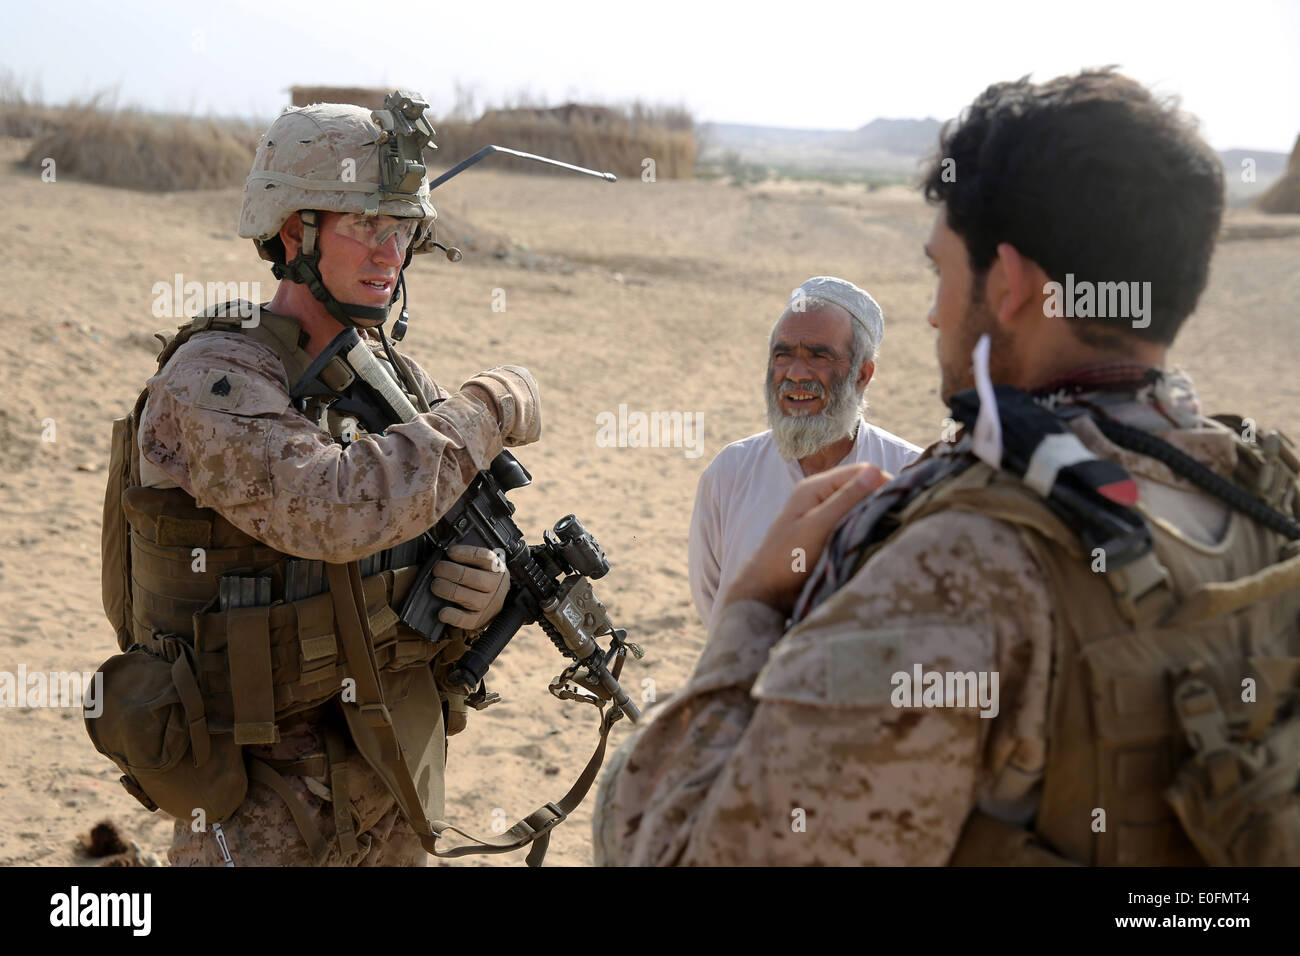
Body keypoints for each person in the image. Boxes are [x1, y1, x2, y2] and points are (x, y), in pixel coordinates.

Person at [593, 68, 1300, 866]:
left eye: (941, 271)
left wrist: (751, 606)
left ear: (1011, 286)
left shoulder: (957, 566)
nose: (933, 312)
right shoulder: (1265, 504)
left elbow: (681, 850)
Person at [97, 92, 542, 866]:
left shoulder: (391, 375)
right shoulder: (214, 378)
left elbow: (448, 506)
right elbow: (334, 509)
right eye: (365, 225)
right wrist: (487, 409)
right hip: (258, 801)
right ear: (291, 229)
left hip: (386, 770)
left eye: (402, 229)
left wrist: (489, 584)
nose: (389, 254)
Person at [688, 276, 920, 629]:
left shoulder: (911, 476)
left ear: (862, 374)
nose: (795, 374)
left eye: (818, 356)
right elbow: (712, 604)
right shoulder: (731, 472)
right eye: (783, 355)